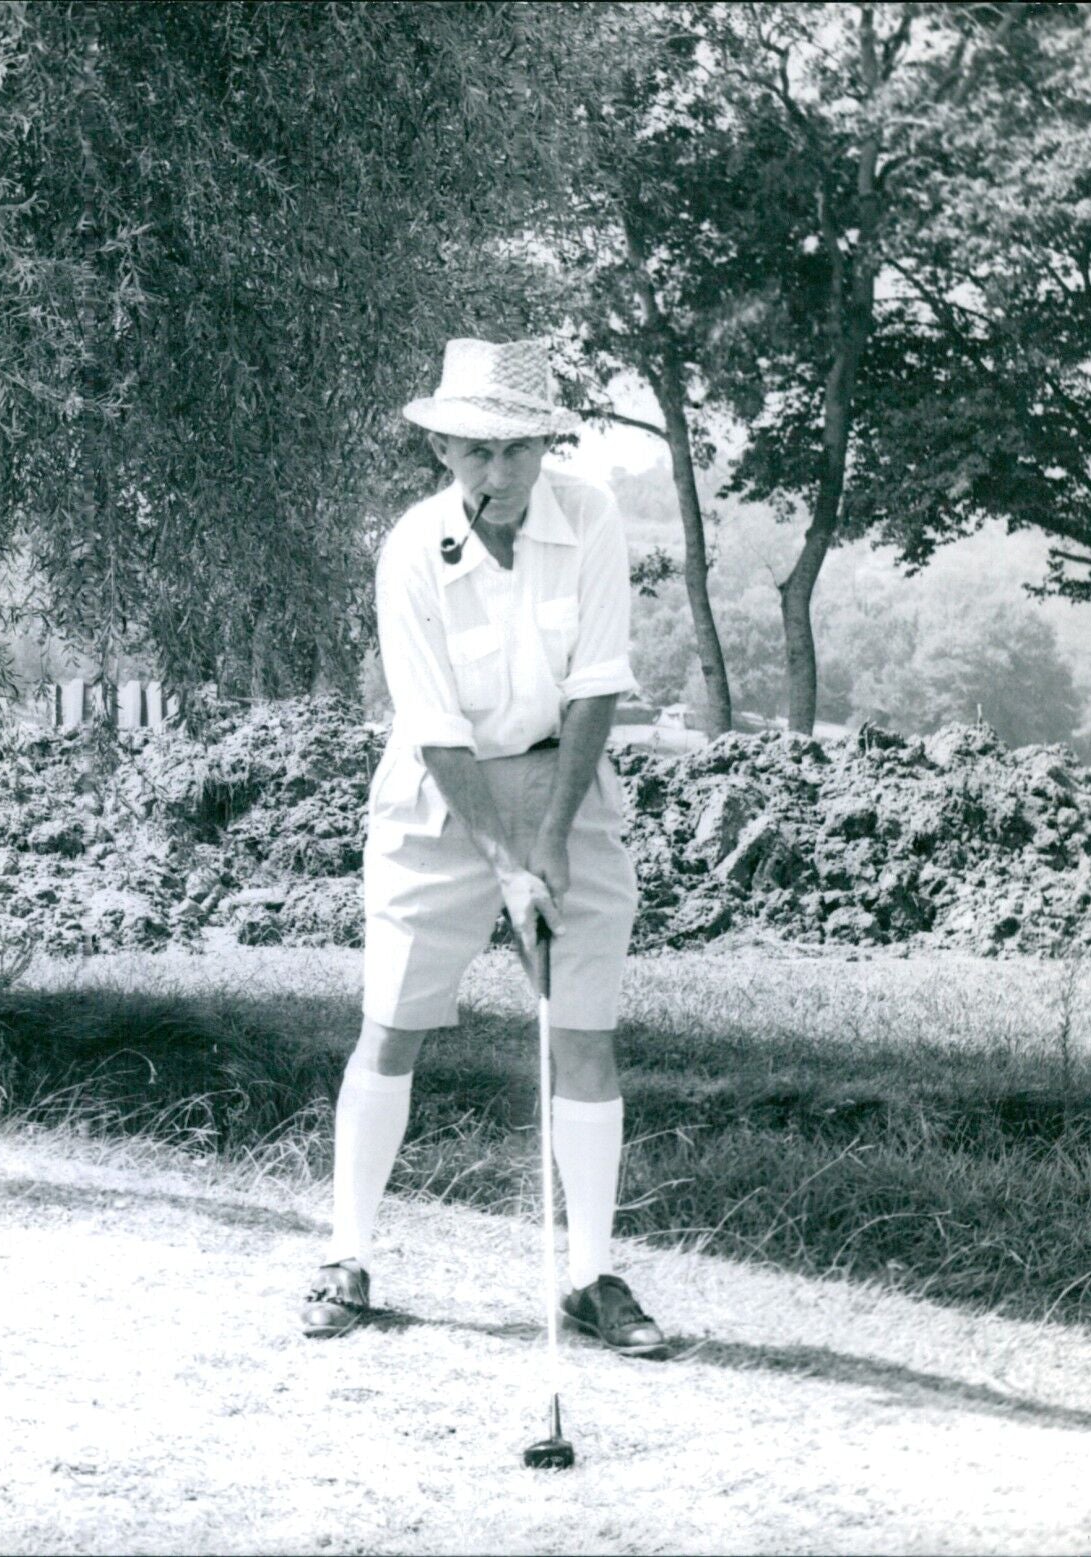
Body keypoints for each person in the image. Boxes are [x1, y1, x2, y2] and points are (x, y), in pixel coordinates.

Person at [299, 337, 666, 1356]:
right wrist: (504, 859)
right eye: (472, 453)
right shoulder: (411, 548)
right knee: (393, 1025)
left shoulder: (589, 517)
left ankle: (589, 1279)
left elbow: (596, 681)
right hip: (438, 796)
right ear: (441, 449)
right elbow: (432, 724)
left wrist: (546, 839)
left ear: (545, 442)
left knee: (581, 1031)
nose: (495, 475)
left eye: (514, 451)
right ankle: (346, 1254)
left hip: (567, 785)